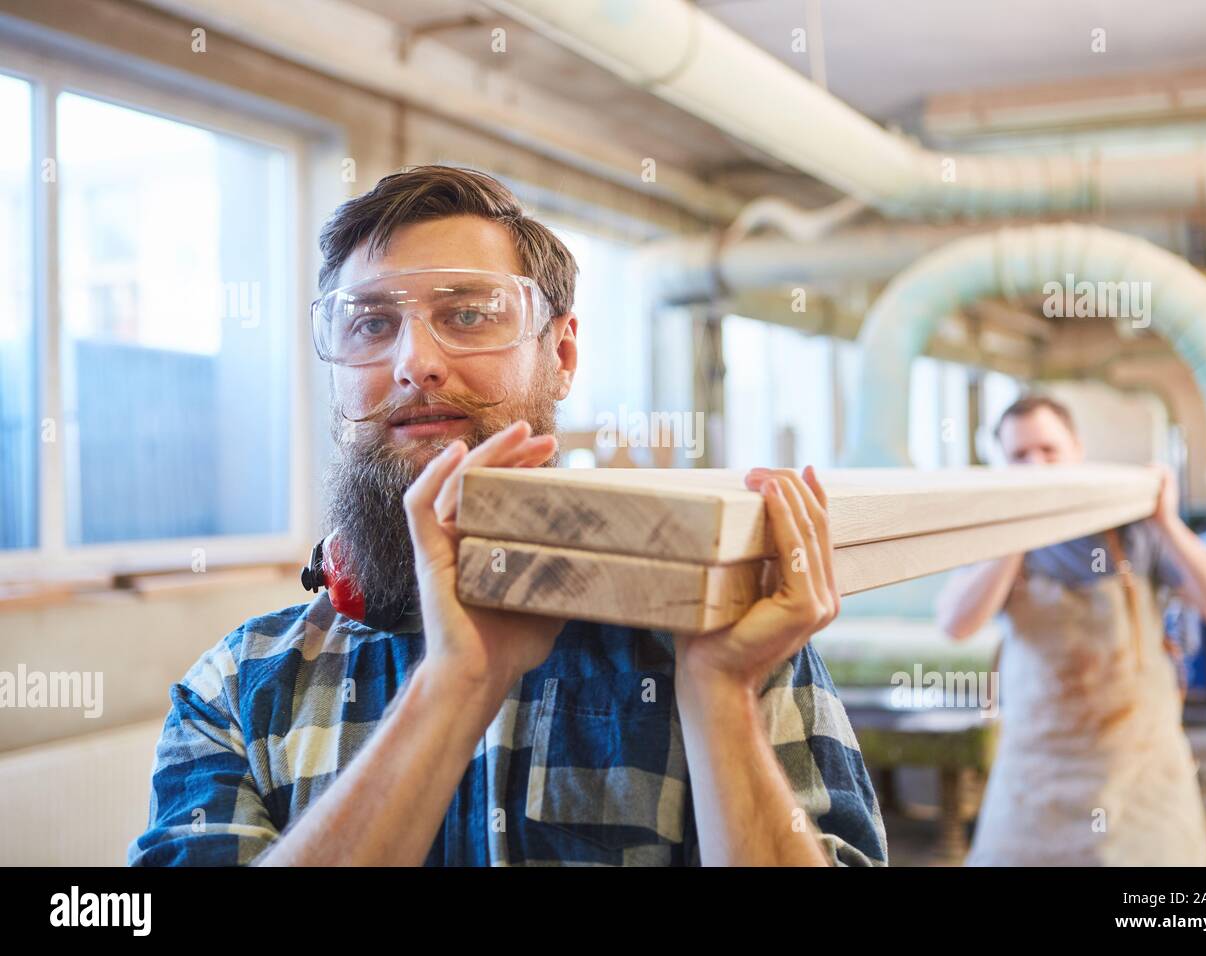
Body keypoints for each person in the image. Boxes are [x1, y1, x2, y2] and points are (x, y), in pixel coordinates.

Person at [126, 165, 887, 867]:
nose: (414, 362)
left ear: (560, 354)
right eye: (371, 323)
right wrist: (456, 685)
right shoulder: (239, 689)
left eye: (468, 315)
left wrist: (720, 696)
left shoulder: (717, 631)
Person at [936, 394, 1206, 866]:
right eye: (1019, 456)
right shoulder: (1002, 544)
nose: (1036, 466)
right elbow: (956, 624)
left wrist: (1166, 521)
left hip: (1140, 779)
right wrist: (1012, 538)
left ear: (1077, 449)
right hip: (1037, 783)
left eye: (1048, 450)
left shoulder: (1130, 529)